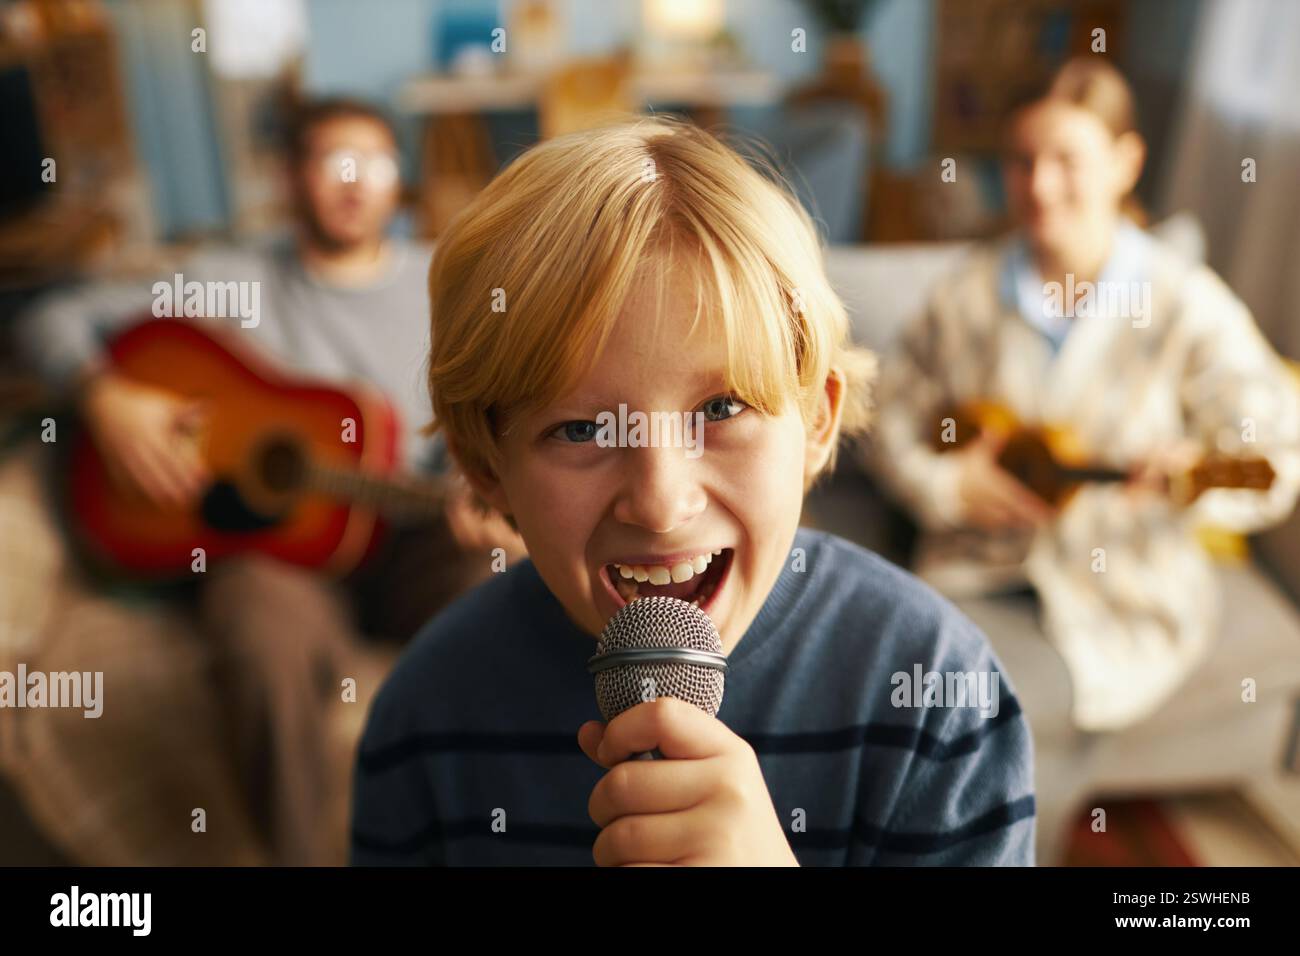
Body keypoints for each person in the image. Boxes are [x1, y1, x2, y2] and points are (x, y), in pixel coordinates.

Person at [349, 118, 1035, 866]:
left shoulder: (940, 695)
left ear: (816, 420)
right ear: (487, 469)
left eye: (720, 410)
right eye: (582, 431)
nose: (660, 501)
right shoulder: (425, 716)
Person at [14, 97, 526, 865]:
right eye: (331, 161)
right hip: (278, 559)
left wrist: (478, 476)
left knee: (499, 597)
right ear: (289, 178)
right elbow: (45, 320)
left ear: (399, 179)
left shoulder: (450, 284)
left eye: (375, 162)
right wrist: (106, 397)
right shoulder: (229, 277)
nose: (354, 182)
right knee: (257, 638)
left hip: (412, 535)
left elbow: (503, 406)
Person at [870, 58, 1300, 734]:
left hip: (1118, 596)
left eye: (1067, 159)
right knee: (908, 687)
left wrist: (1201, 473)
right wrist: (948, 481)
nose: (1040, 186)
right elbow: (885, 412)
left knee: (993, 711)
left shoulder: (1183, 303)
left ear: (1125, 163)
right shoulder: (965, 296)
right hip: (976, 570)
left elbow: (1276, 457)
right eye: (1021, 161)